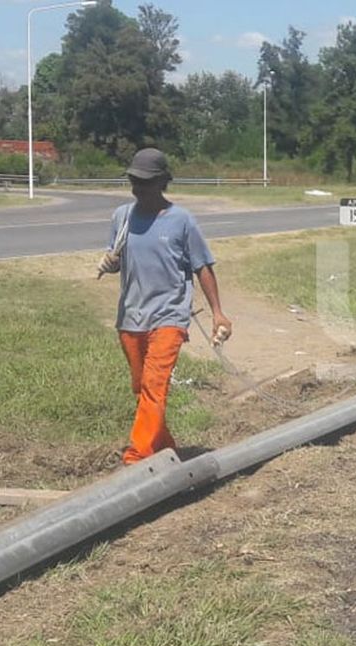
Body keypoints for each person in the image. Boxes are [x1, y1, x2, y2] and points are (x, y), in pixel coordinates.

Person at [97, 148, 232, 465]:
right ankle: (163, 446)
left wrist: (218, 313)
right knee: (141, 387)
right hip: (131, 316)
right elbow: (117, 256)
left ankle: (137, 458)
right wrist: (110, 263)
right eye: (134, 182)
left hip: (169, 316)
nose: (138, 189)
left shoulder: (182, 221)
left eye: (145, 183)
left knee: (154, 385)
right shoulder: (122, 217)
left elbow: (202, 266)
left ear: (162, 182)